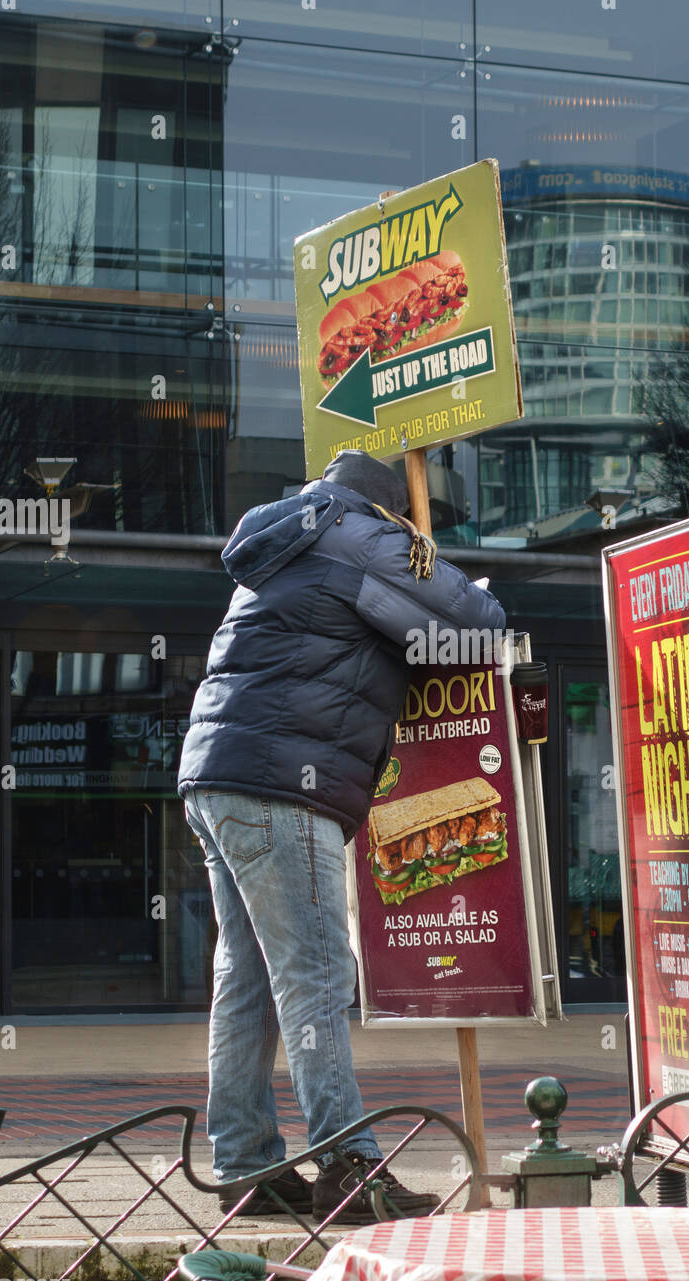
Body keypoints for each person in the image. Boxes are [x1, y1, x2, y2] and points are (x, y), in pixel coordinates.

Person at [178, 449, 506, 1223]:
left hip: (220, 773)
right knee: (319, 976)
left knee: (250, 981)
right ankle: (347, 1167)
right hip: (283, 783)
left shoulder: (292, 533)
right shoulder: (362, 534)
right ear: (389, 505)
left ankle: (246, 1164)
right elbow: (480, 622)